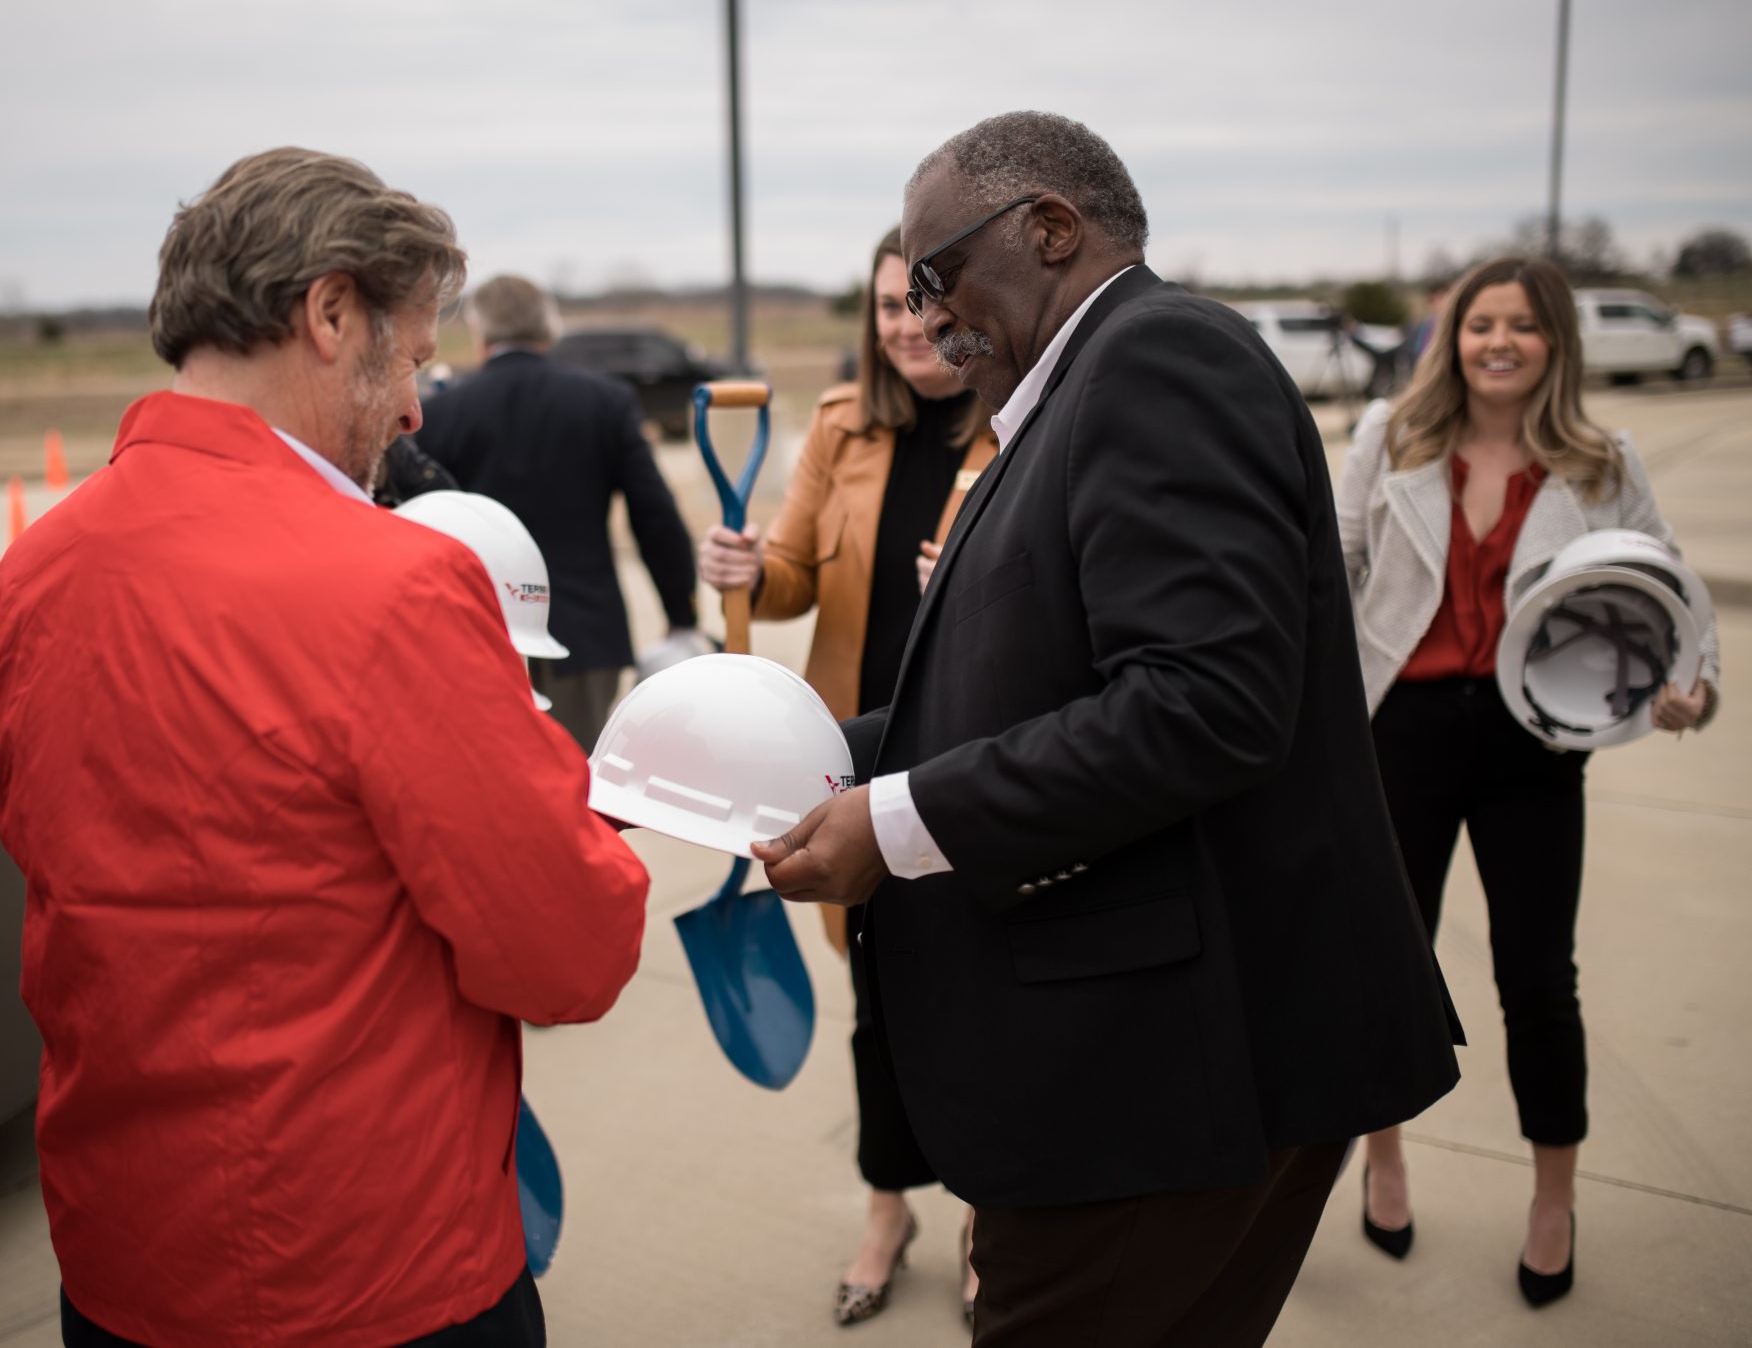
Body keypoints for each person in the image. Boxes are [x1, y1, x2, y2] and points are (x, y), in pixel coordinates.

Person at [750, 111, 1463, 1348]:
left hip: (1185, 1071)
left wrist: (896, 822)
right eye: (908, 292)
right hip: (1132, 1069)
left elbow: (1204, 703)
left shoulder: (1156, 360)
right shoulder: (1065, 396)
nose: (923, 316)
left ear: (1047, 228)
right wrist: (792, 755)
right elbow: (1028, 690)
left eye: (937, 275)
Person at [0, 148, 650, 1348]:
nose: (415, 411)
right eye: (413, 359)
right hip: (371, 1264)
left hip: (122, 1257)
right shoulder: (397, 584)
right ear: (331, 313)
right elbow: (567, 954)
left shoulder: (33, 571)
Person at [1337, 255, 1719, 1306]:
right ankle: (1383, 1154)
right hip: (1401, 734)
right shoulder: (1390, 435)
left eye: (1521, 324)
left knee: (1539, 980)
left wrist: (1690, 688)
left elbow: (1673, 590)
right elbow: (1332, 571)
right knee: (1390, 967)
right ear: (1452, 338)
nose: (1497, 341)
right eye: (1479, 324)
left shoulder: (1600, 459)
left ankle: (1554, 1197)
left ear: (1555, 340)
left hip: (1533, 744)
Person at [699, 226, 997, 1327]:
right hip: (854, 767)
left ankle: (985, 1213)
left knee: (982, 1002)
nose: (906, 326)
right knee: (879, 1006)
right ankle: (887, 1206)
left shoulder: (1019, 427)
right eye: (885, 306)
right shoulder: (839, 426)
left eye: (925, 301)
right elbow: (788, 577)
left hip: (969, 759)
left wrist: (973, 581)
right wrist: (745, 569)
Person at [399, 274, 700, 751]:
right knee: (576, 779)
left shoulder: (443, 411)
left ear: (479, 333)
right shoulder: (606, 402)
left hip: (478, 633)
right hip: (586, 634)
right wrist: (680, 613)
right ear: (549, 329)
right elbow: (654, 515)